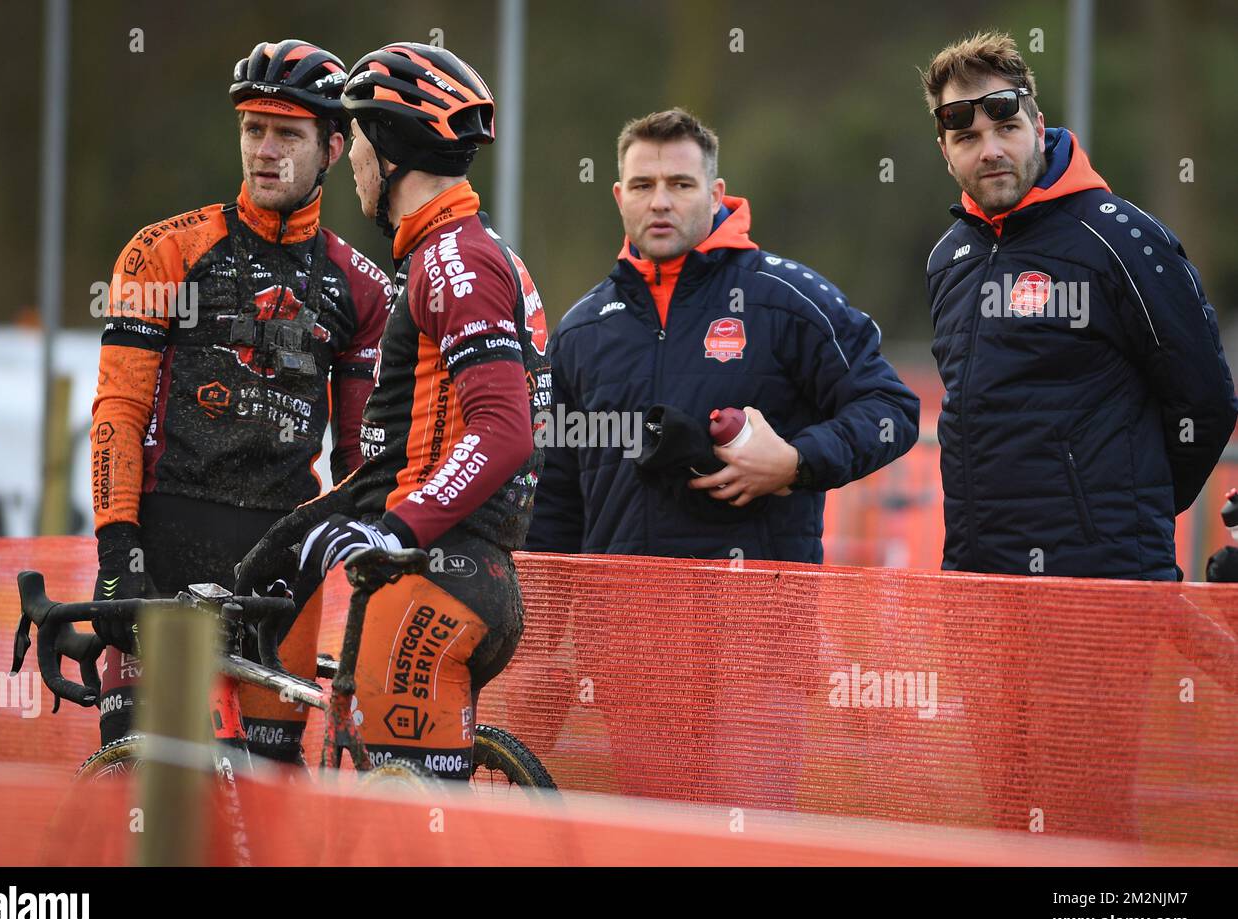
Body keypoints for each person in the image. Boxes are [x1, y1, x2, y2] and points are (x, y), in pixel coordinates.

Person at [235, 41, 550, 779]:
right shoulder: (460, 249)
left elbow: (504, 433)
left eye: (357, 148)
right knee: (259, 576)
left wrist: (397, 531)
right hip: (459, 565)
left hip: (432, 573)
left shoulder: (452, 260)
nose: (351, 168)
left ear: (384, 151)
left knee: (407, 839)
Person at [88, 39, 394, 761]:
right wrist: (116, 544)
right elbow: (117, 414)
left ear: (331, 148)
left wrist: (374, 548)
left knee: (264, 797)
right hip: (165, 538)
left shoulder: (365, 289)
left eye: (288, 133)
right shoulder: (162, 252)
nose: (265, 149)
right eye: (253, 129)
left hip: (283, 557)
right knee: (145, 787)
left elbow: (357, 454)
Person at [525, 108, 919, 561]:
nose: (659, 202)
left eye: (680, 184)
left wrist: (796, 463)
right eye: (642, 185)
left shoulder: (787, 300)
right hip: (621, 620)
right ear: (619, 197)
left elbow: (891, 409)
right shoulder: (581, 330)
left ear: (715, 196)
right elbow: (553, 497)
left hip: (757, 618)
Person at [921, 31, 1237, 580]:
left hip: (1105, 578)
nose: (991, 149)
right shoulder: (948, 258)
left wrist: (1133, 514)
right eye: (968, 137)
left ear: (1039, 129)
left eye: (1007, 128)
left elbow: (1204, 402)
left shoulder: (1125, 238)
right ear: (946, 153)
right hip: (976, 578)